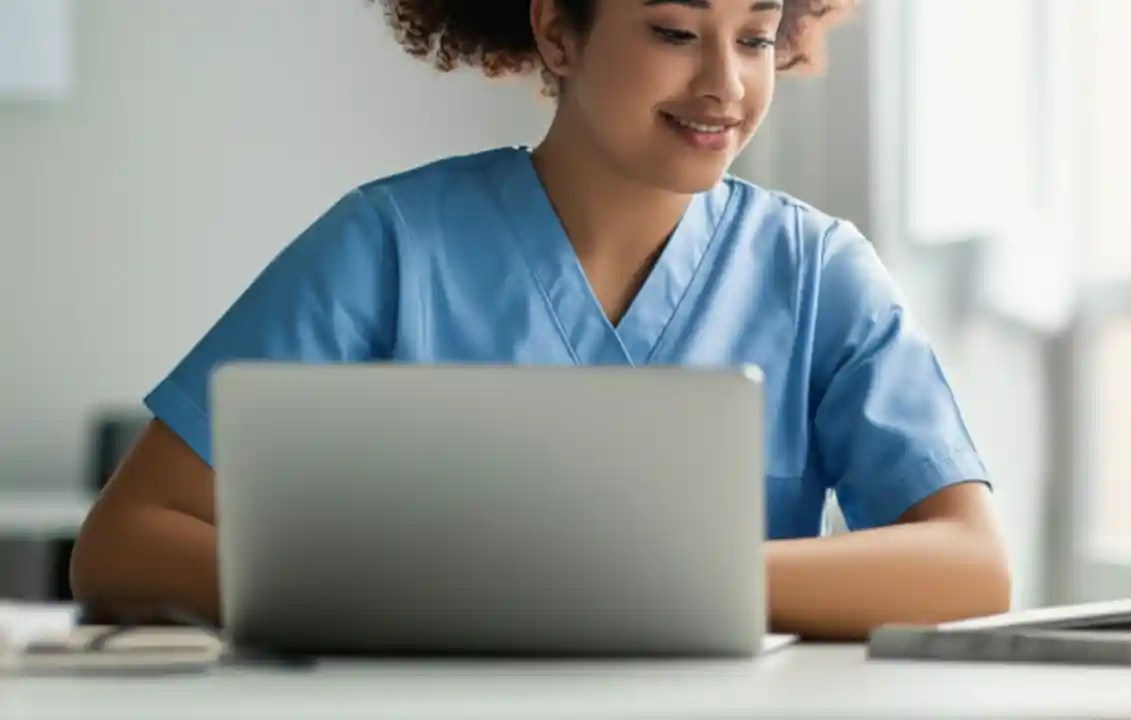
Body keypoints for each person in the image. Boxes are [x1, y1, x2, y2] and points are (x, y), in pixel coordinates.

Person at [70, 0, 1010, 639]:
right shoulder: (392, 243)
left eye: (756, 36)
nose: (727, 83)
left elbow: (972, 568)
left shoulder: (817, 272)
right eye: (677, 30)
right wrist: (433, 597)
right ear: (559, 36)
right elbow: (125, 545)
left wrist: (667, 582)